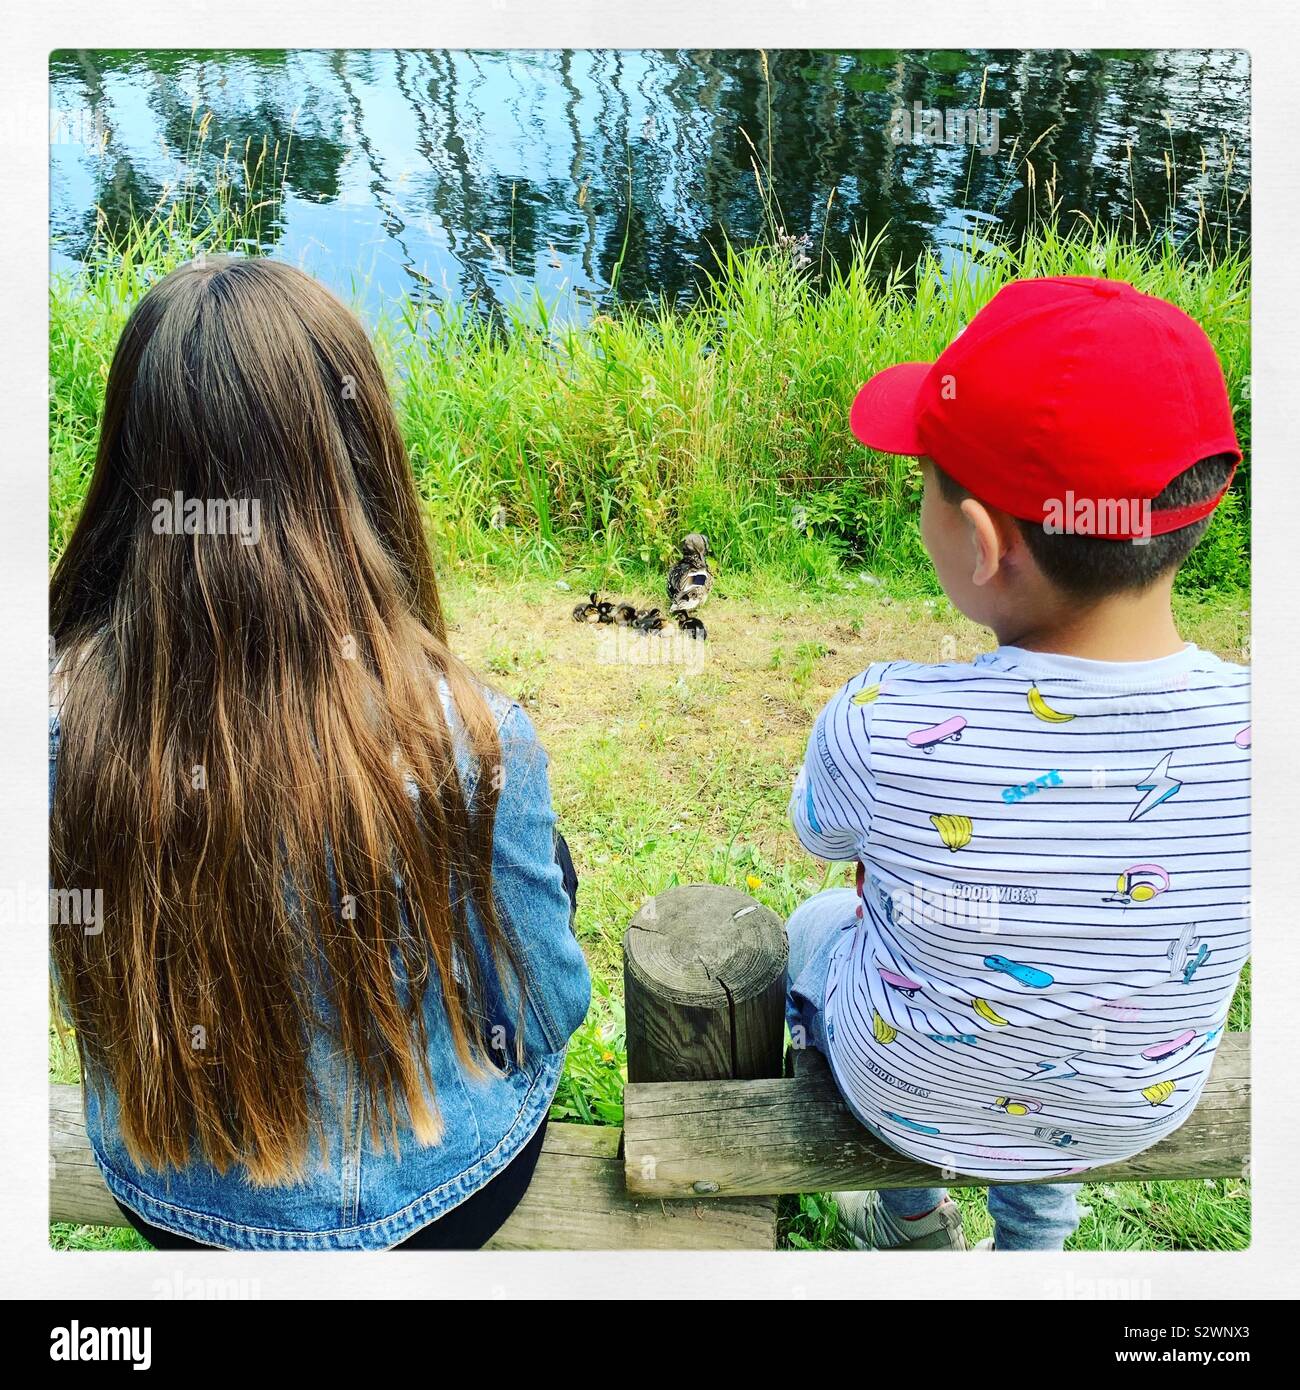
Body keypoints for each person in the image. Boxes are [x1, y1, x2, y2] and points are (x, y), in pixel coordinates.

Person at [49, 256, 590, 1250]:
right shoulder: (473, 733)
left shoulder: (54, 720)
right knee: (539, 877)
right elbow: (549, 1007)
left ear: (132, 463)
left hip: (178, 1201)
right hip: (446, 1190)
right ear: (357, 449)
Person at [786, 276, 1249, 1251]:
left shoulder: (882, 716)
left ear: (981, 542)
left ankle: (910, 1216)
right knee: (1070, 1036)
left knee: (817, 922)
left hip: (908, 1089)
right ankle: (1033, 1250)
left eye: (925, 480)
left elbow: (817, 832)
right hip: (1133, 1101)